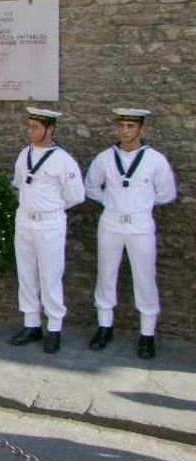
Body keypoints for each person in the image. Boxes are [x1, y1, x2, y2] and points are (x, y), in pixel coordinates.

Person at [84, 108, 177, 359]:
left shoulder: (155, 159)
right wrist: (111, 202)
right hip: (111, 223)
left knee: (145, 277)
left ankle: (147, 334)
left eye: (131, 126)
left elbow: (167, 193)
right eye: (122, 125)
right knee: (106, 274)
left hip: (140, 225)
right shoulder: (105, 158)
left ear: (141, 129)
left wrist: (141, 204)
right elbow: (91, 186)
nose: (125, 131)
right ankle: (105, 326)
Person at [9, 108, 85, 354]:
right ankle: (31, 323)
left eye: (36, 127)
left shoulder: (63, 160)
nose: (30, 131)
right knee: (26, 273)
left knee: (50, 275)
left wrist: (50, 209)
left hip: (50, 223)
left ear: (50, 129)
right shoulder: (24, 154)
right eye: (29, 126)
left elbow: (75, 196)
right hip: (25, 221)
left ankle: (54, 327)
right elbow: (19, 184)